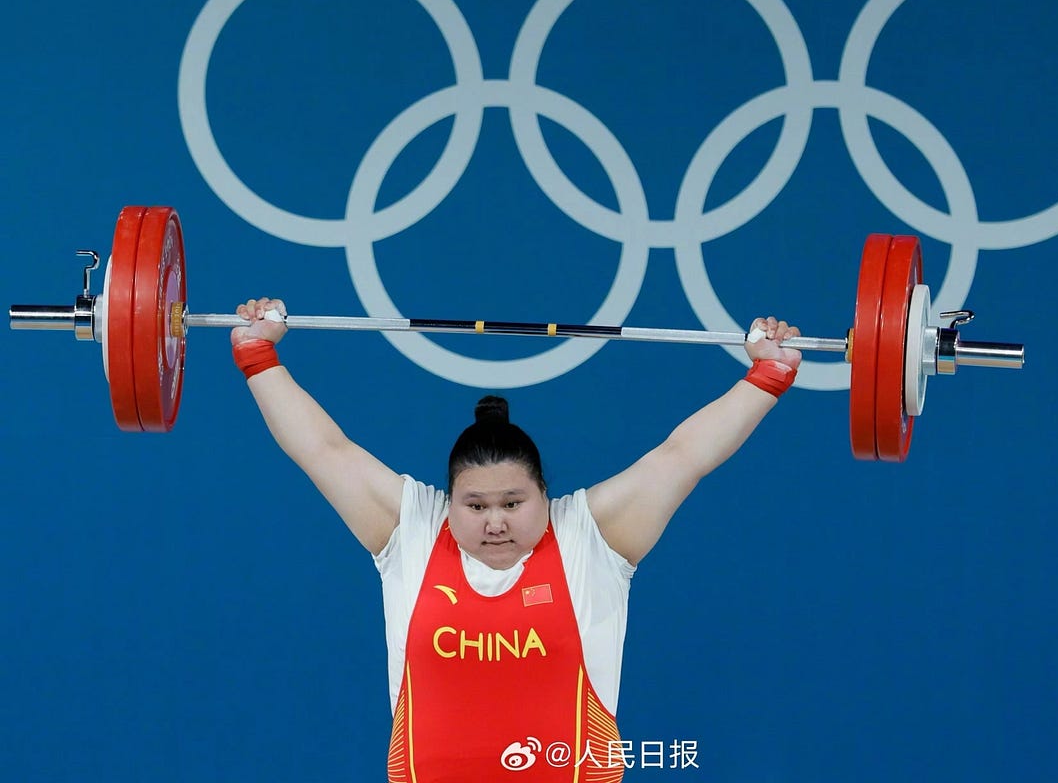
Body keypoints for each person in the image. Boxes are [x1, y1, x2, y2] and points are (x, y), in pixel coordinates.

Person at [230, 297, 803, 782]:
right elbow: (323, 450)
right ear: (450, 501)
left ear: (544, 495)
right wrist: (259, 355)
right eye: (474, 506)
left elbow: (683, 458)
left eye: (512, 503)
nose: (494, 522)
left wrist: (767, 376)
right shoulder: (413, 532)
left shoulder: (590, 537)